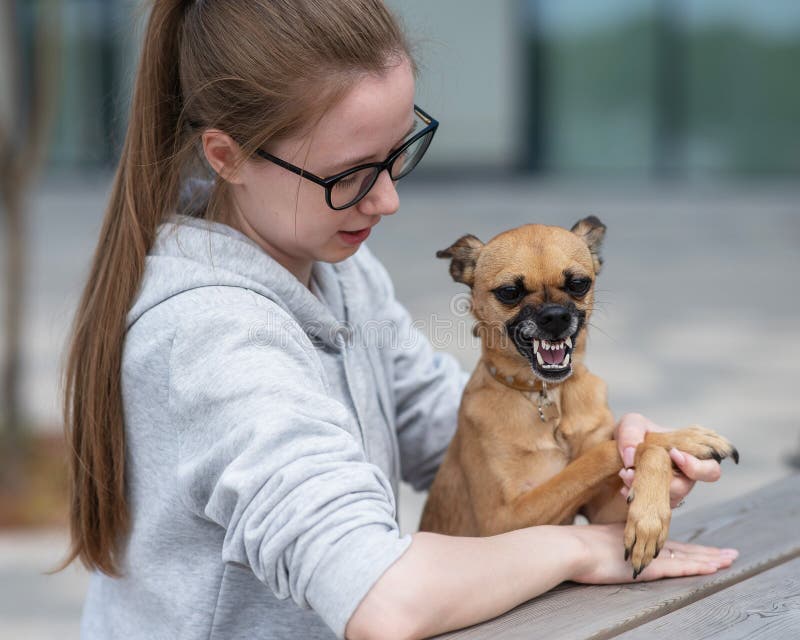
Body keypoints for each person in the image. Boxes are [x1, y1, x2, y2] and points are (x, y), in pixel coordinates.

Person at [59, 1, 736, 639]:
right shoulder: (214, 342)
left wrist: (591, 443)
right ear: (226, 155)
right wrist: (579, 548)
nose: (386, 200)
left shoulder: (332, 262)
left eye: (399, 151)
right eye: (350, 175)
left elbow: (442, 425)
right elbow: (382, 598)